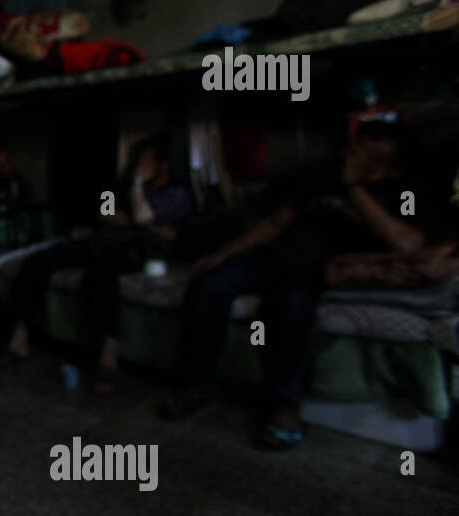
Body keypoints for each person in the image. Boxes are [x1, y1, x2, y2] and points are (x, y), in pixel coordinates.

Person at [160, 121, 426, 449]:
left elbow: (407, 245)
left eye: (368, 147)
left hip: (324, 267)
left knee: (291, 304)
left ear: (390, 162)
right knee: (210, 283)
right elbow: (274, 224)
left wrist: (354, 187)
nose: (355, 150)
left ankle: (283, 405)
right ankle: (196, 384)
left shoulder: (403, 192)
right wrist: (222, 254)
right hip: (279, 254)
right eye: (359, 144)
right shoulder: (323, 176)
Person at [0, 133, 192, 395]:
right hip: (99, 241)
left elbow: (141, 215)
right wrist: (141, 221)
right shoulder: (123, 188)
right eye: (139, 161)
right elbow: (103, 212)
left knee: (102, 273)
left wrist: (137, 194)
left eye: (146, 161)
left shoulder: (175, 194)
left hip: (136, 250)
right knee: (39, 261)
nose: (139, 166)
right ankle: (18, 341)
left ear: (164, 165)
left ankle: (108, 359)